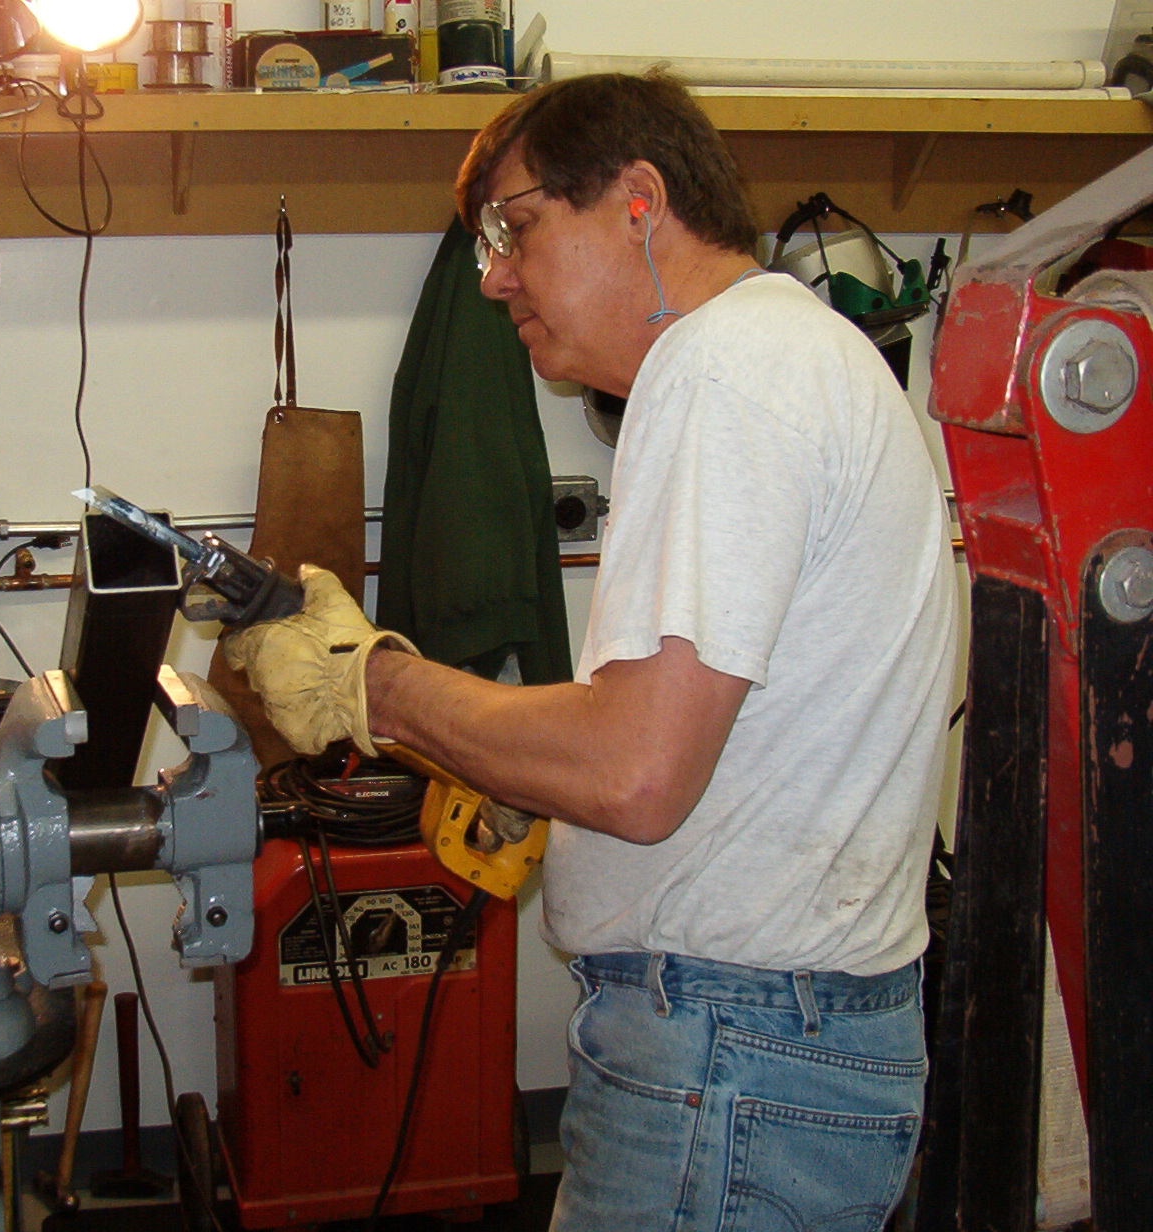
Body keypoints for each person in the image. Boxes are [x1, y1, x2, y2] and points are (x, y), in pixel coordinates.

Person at [224, 72, 957, 1231]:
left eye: (516, 227)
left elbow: (636, 770)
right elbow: (693, 739)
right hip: (766, 1043)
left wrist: (377, 684)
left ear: (637, 198)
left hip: (733, 1047)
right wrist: (532, 780)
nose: (494, 275)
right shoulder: (790, 356)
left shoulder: (724, 372)